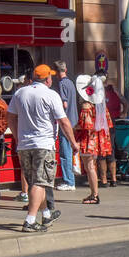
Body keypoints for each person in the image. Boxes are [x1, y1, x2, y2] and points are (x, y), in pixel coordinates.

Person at [6, 64, 77, 232]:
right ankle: (30, 220)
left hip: (24, 145)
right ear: (47, 79)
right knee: (40, 182)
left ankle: (46, 214)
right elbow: (64, 121)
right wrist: (73, 143)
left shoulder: (20, 93)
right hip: (44, 145)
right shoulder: (51, 95)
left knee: (37, 183)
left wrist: (17, 137)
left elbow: (10, 117)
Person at [73, 74, 110, 204]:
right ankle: (93, 193)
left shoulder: (86, 107)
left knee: (90, 167)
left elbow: (85, 125)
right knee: (91, 167)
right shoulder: (100, 105)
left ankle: (94, 194)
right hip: (96, 139)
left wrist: (74, 127)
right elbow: (107, 123)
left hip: (87, 139)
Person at [53, 60, 79, 192]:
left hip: (65, 122)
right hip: (73, 120)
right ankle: (70, 179)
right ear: (66, 69)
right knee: (69, 151)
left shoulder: (62, 84)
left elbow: (64, 104)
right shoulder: (71, 83)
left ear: (57, 72)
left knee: (65, 153)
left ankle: (68, 181)